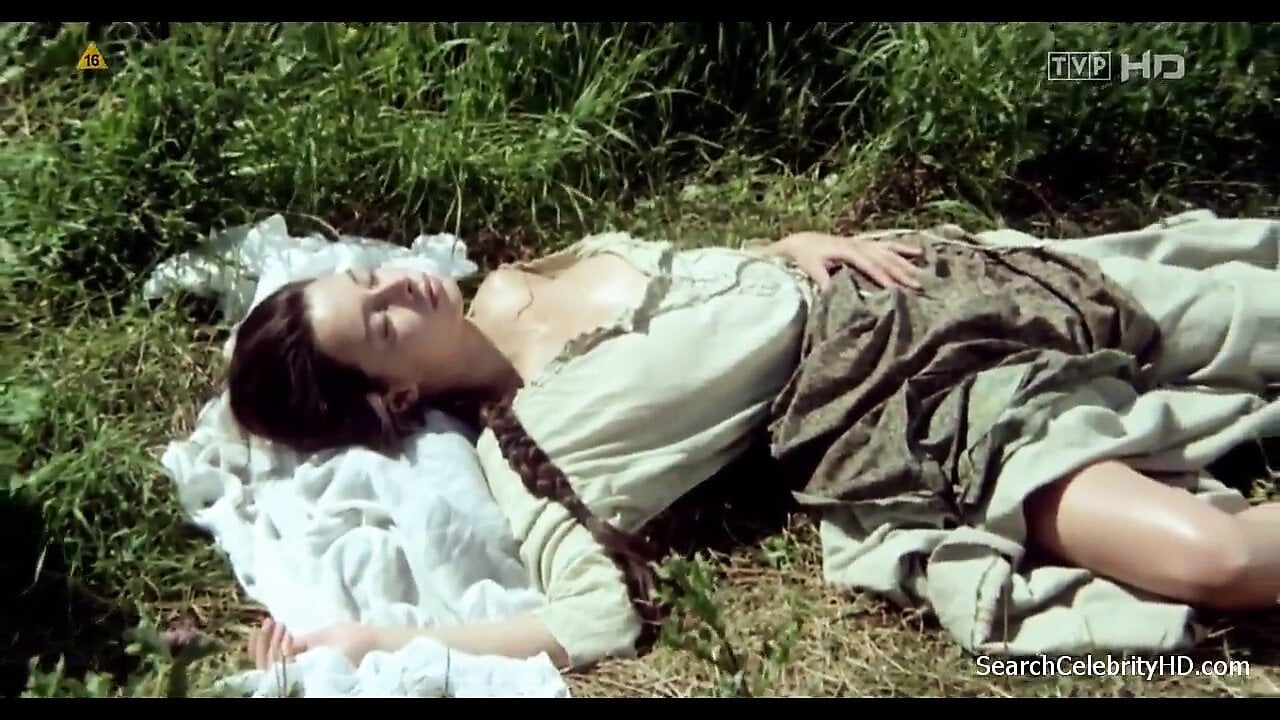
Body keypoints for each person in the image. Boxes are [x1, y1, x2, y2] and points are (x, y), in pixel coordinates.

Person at [228, 219, 1280, 674]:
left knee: (1253, 303)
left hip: (937, 280)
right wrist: (377, 644)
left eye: (366, 279)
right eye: (377, 324)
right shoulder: (530, 450)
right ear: (397, 393)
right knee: (1214, 560)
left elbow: (707, 281)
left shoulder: (516, 279)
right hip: (917, 407)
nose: (397, 288)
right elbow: (591, 619)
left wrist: (785, 245)